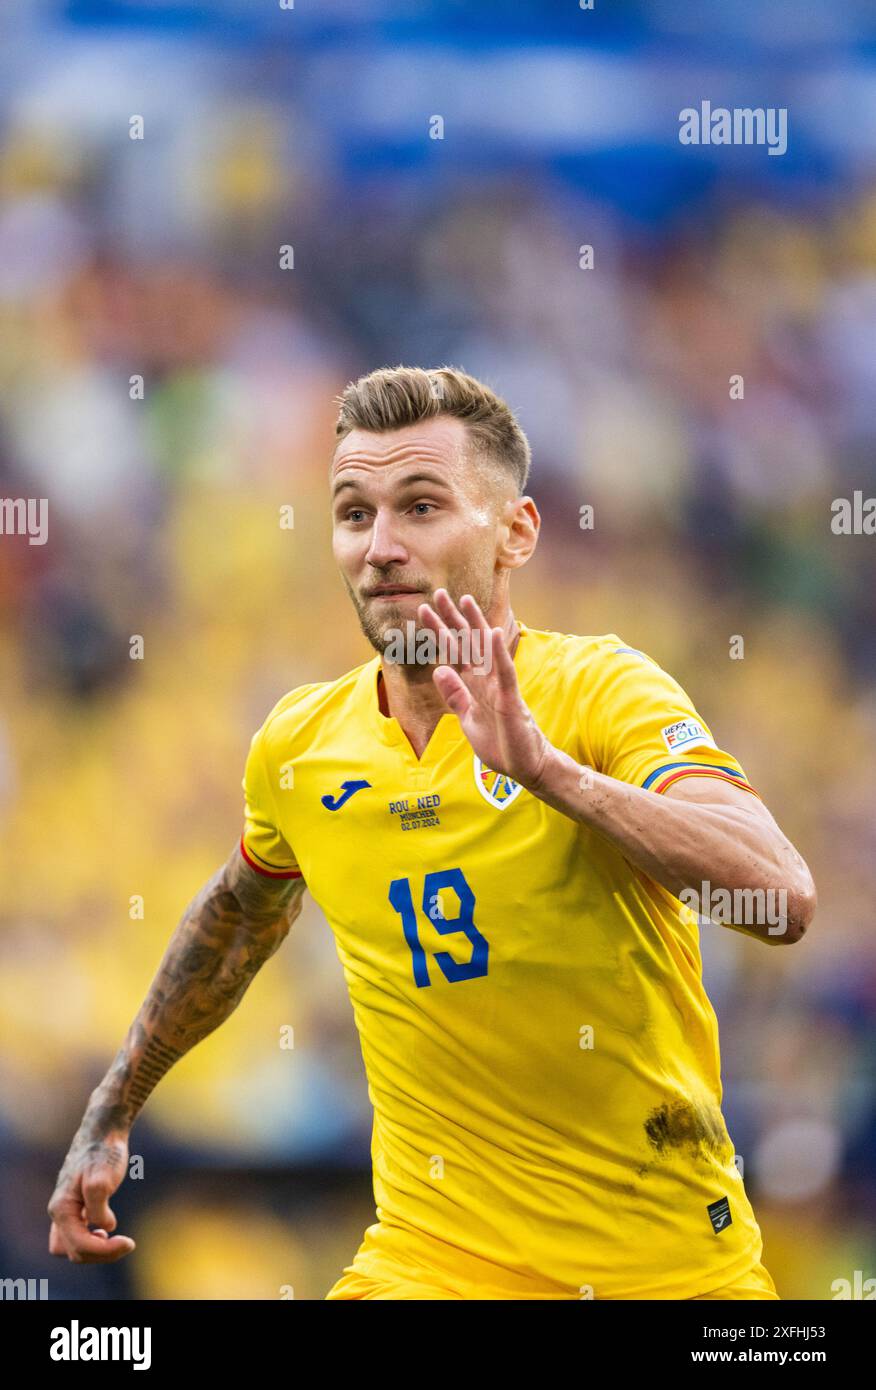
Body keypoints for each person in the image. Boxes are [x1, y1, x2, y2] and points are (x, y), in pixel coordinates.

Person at [48, 366, 815, 1299]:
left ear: (516, 533)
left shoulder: (601, 693)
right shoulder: (301, 746)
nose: (380, 547)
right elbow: (239, 919)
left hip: (667, 1271)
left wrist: (551, 777)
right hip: (431, 1264)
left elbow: (781, 898)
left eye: (420, 507)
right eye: (353, 513)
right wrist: (115, 1104)